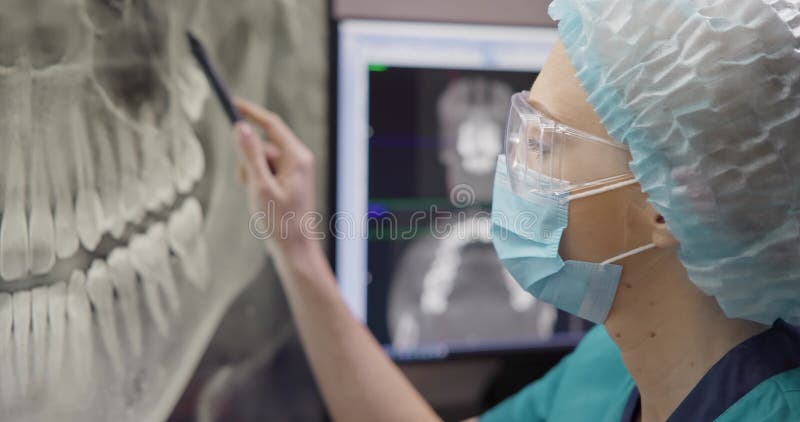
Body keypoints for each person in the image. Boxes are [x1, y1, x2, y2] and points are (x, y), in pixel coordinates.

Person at [231, 0, 800, 421]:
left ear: (669, 207)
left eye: (543, 142)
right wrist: (297, 250)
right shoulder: (614, 363)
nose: (509, 167)